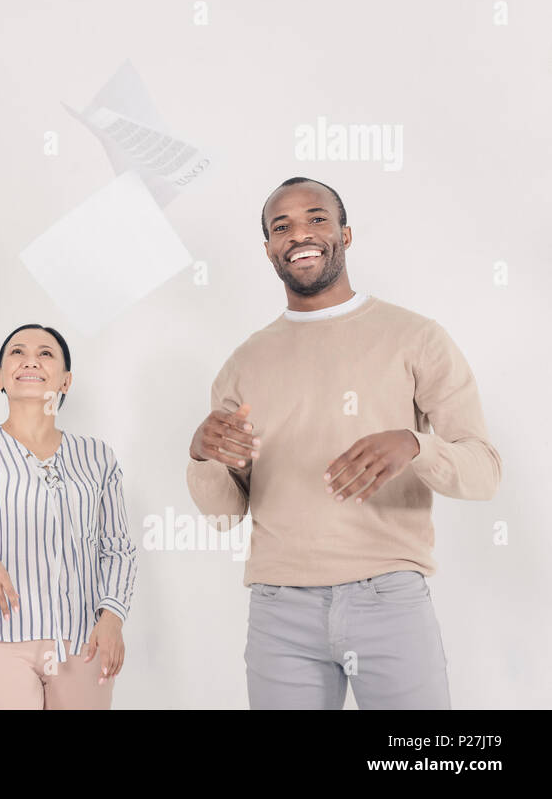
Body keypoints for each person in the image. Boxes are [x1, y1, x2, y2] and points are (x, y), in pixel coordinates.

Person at [186, 176, 502, 709]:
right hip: (279, 609)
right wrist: (202, 455)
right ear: (268, 249)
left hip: (389, 599)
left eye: (316, 218)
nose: (299, 233)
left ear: (345, 235)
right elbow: (224, 515)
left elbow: (484, 472)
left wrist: (415, 445)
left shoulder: (415, 336)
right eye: (281, 226)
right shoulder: (244, 363)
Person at [0, 324, 136, 709]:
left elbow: (117, 548)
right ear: (0, 377)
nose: (30, 360)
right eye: (16, 353)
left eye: (46, 353)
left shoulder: (97, 457)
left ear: (66, 381)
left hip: (82, 643)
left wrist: (113, 617)